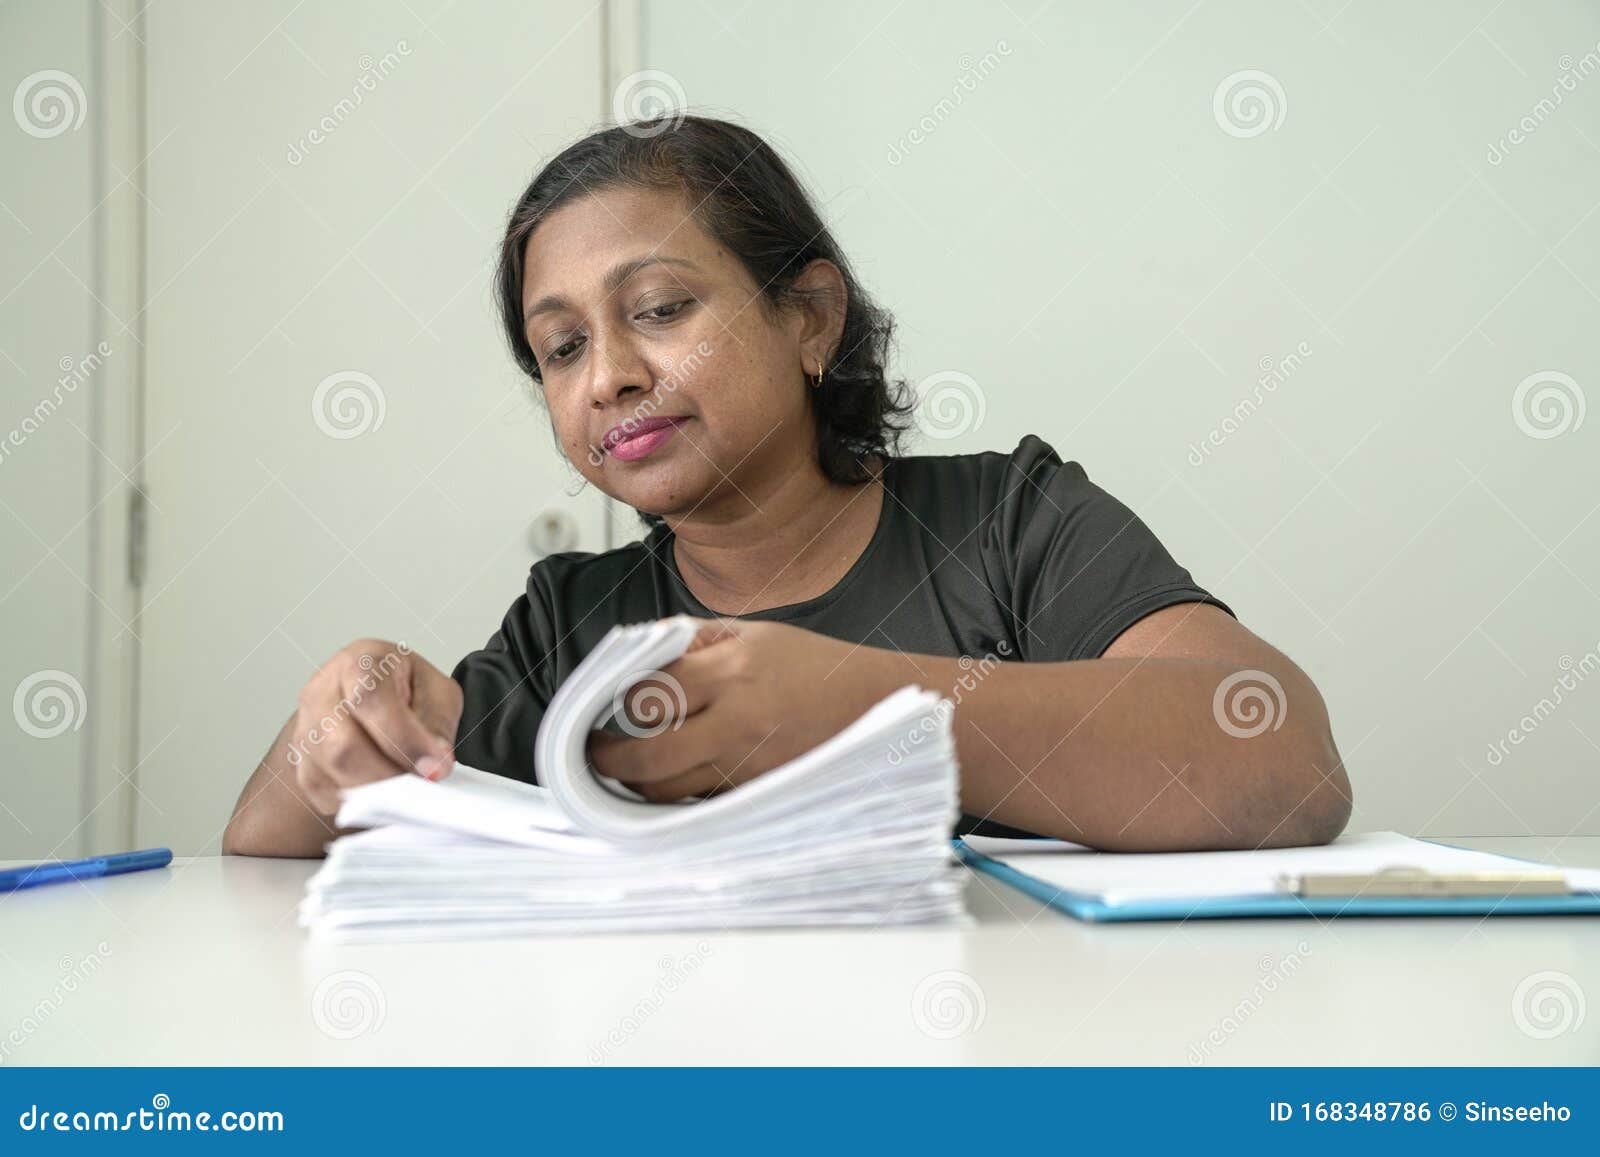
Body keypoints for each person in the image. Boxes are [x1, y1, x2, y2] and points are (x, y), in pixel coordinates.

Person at [223, 115, 1350, 859]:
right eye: (559, 348)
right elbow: (263, 848)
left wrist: (857, 711)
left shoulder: (1010, 521)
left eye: (660, 309)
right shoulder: (571, 622)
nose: (609, 374)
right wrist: (332, 716)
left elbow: (1278, 758)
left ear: (808, 317)